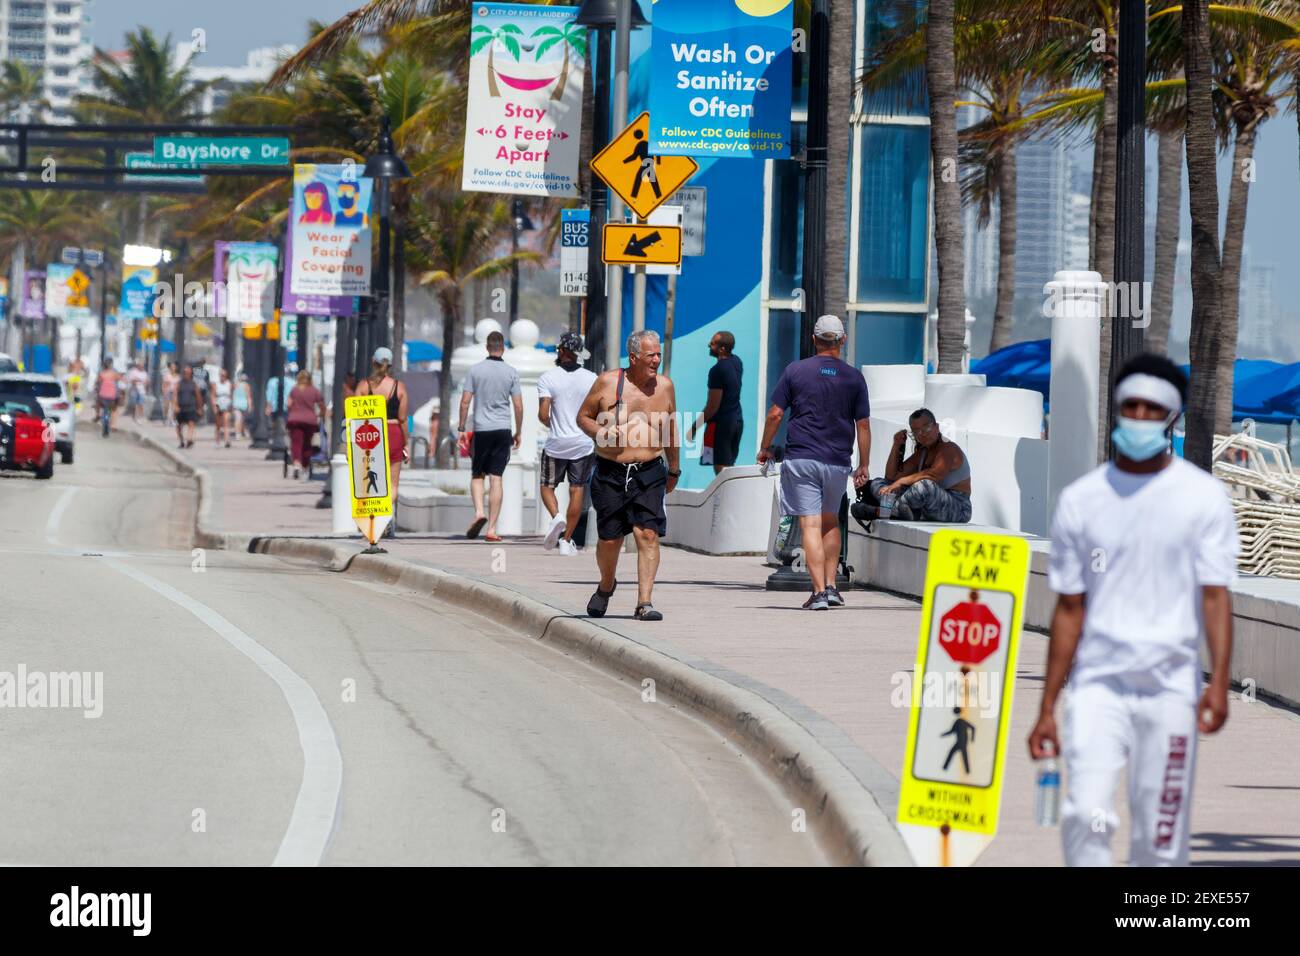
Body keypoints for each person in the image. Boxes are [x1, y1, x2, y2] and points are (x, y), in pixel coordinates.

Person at [1028, 354, 1237, 867]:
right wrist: (1047, 707)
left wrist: (1219, 683)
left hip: (1170, 689)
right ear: (1117, 408)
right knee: (1084, 814)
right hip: (1098, 687)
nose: (1139, 416)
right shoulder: (1082, 499)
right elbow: (1069, 610)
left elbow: (1215, 598)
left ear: (1172, 417)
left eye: (1152, 408)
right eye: (1130, 406)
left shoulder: (1203, 497)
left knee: (1160, 833)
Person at [757, 315, 871, 611]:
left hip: (803, 457)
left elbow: (775, 414)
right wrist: (864, 465)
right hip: (837, 461)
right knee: (830, 521)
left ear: (814, 339)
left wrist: (765, 447)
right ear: (842, 340)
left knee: (809, 523)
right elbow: (864, 426)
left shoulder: (796, 370)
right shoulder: (854, 377)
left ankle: (818, 592)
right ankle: (832, 587)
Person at [576, 329, 680, 622]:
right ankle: (606, 585)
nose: (657, 360)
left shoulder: (665, 387)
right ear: (633, 357)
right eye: (651, 355)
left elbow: (670, 430)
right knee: (610, 539)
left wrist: (674, 468)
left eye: (658, 354)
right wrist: (602, 431)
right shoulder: (607, 382)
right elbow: (582, 416)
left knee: (647, 534)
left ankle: (644, 602)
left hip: (649, 470)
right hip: (610, 471)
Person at [854, 408, 972, 523]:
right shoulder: (923, 452)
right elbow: (891, 476)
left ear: (936, 427)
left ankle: (884, 512)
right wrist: (896, 445)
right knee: (878, 482)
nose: (922, 434)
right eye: (916, 431)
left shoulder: (948, 448)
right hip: (925, 507)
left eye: (926, 427)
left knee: (925, 485)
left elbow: (934, 475)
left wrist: (901, 482)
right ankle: (901, 512)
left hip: (958, 508)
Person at [538, 331, 598, 555]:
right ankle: (567, 541)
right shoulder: (591, 378)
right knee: (577, 489)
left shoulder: (548, 377)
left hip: (556, 442)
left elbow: (543, 414)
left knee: (547, 486)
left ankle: (556, 517)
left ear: (561, 351)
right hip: (583, 443)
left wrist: (552, 424)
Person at [459, 331, 522, 542]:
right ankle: (492, 529)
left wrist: (461, 428)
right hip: (503, 430)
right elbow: (518, 405)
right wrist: (518, 431)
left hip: (482, 430)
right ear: (503, 348)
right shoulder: (511, 372)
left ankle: (479, 512)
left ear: (487, 347)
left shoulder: (475, 371)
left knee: (478, 475)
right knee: (496, 478)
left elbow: (465, 401)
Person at [356, 349, 409, 516]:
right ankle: (383, 513)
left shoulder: (364, 386)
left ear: (373, 362)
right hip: (393, 433)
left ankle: (373, 515)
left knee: (371, 480)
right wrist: (406, 443)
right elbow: (402, 418)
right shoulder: (398, 387)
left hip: (370, 434)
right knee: (393, 483)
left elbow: (354, 415)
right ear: (391, 364)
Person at [686, 330, 744, 475]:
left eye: (712, 344)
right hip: (737, 421)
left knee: (721, 470)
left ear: (722, 349)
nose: (709, 345)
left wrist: (695, 427)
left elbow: (712, 407)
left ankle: (727, 497)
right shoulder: (737, 362)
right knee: (729, 466)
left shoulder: (717, 370)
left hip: (722, 425)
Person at [286, 368, 327, 478]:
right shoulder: (314, 391)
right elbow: (322, 406)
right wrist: (321, 415)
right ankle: (305, 465)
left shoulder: (294, 390)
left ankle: (296, 464)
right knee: (307, 443)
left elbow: (289, 404)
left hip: (295, 419)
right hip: (309, 420)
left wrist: (293, 412)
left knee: (296, 442)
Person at [172, 364, 201, 448]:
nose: (186, 374)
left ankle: (189, 439)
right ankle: (181, 441)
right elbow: (175, 395)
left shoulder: (193, 384)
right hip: (180, 408)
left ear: (191, 374)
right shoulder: (179, 384)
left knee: (191, 423)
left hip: (191, 407)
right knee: (179, 426)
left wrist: (199, 408)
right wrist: (176, 406)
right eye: (185, 372)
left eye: (188, 373)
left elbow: (198, 396)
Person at [93, 358, 122, 431]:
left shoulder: (101, 372)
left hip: (102, 395)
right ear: (111, 364)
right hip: (113, 395)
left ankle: (98, 415)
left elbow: (97, 382)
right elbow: (119, 380)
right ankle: (113, 426)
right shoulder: (114, 372)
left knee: (98, 403)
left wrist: (96, 387)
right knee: (114, 409)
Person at [211, 367, 234, 447]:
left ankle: (227, 440)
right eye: (221, 375)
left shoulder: (229, 384)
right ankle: (217, 441)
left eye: (224, 375)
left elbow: (231, 395)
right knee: (218, 425)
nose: (222, 377)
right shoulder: (216, 384)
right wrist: (214, 406)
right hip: (218, 404)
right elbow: (213, 395)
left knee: (226, 423)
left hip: (227, 404)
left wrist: (232, 405)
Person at [232, 370, 252, 439]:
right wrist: (250, 405)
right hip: (244, 403)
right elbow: (248, 396)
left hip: (236, 403)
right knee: (242, 419)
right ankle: (242, 432)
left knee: (238, 419)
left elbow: (232, 394)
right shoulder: (246, 385)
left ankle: (239, 433)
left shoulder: (235, 384)